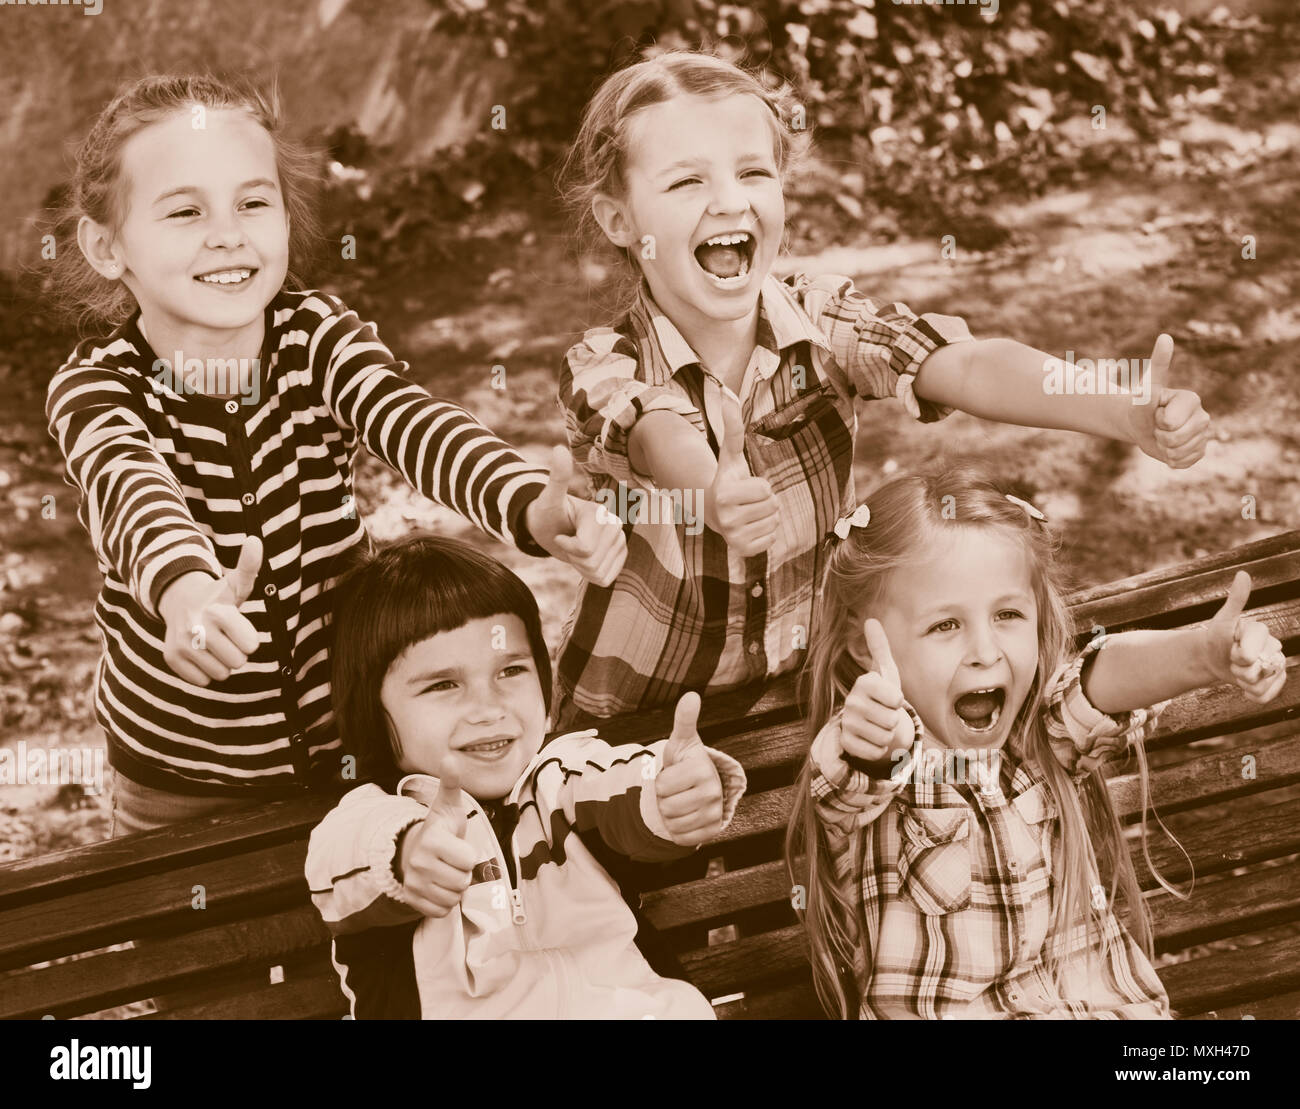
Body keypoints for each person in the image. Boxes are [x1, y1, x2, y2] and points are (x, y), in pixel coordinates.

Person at [552, 50, 1212, 728]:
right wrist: (711, 490)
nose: (729, 200)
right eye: (686, 182)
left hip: (805, 703)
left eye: (754, 171)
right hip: (633, 724)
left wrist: (1118, 408)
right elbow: (653, 426)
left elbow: (967, 364)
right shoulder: (604, 362)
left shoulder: (822, 318)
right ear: (618, 221)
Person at [44, 74, 626, 834]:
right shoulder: (99, 390)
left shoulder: (316, 336)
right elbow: (131, 490)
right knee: (209, 951)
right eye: (185, 211)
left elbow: (414, 423)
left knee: (366, 920)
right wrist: (187, 590)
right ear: (106, 243)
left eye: (254, 203)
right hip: (184, 778)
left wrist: (529, 505)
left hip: (352, 740)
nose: (228, 233)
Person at [785, 466, 1288, 1018]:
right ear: (864, 646)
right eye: (944, 626)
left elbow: (1104, 678)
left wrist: (1201, 655)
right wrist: (877, 741)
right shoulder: (878, 775)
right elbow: (846, 779)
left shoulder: (1039, 745)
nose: (984, 650)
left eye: (1007, 615)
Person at [305, 535, 747, 1018]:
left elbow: (619, 785)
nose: (488, 707)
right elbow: (341, 871)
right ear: (372, 709)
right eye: (443, 684)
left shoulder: (560, 781)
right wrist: (406, 858)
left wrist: (669, 790)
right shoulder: (372, 816)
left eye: (510, 670)